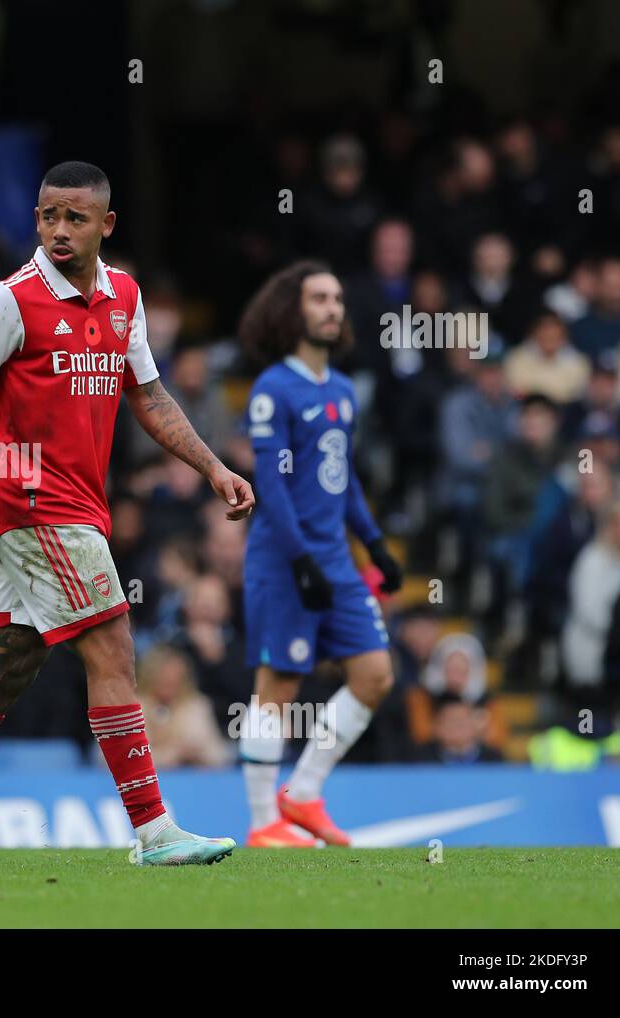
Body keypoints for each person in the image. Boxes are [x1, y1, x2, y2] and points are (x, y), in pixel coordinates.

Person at [0, 161, 254, 867]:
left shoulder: (124, 295)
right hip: (35, 502)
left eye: (75, 218)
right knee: (112, 648)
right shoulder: (9, 300)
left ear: (107, 224)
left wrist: (214, 466)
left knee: (2, 674)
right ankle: (155, 834)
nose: (59, 230)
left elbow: (152, 399)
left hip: (81, 506)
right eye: (47, 216)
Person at [236, 261, 403, 848]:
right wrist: (302, 559)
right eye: (319, 299)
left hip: (336, 558)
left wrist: (376, 545)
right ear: (294, 310)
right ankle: (262, 824)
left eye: (337, 298)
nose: (332, 308)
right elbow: (273, 485)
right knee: (278, 687)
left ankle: (303, 794)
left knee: (374, 675)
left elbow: (342, 477)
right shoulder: (273, 389)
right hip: (285, 559)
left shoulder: (343, 389)